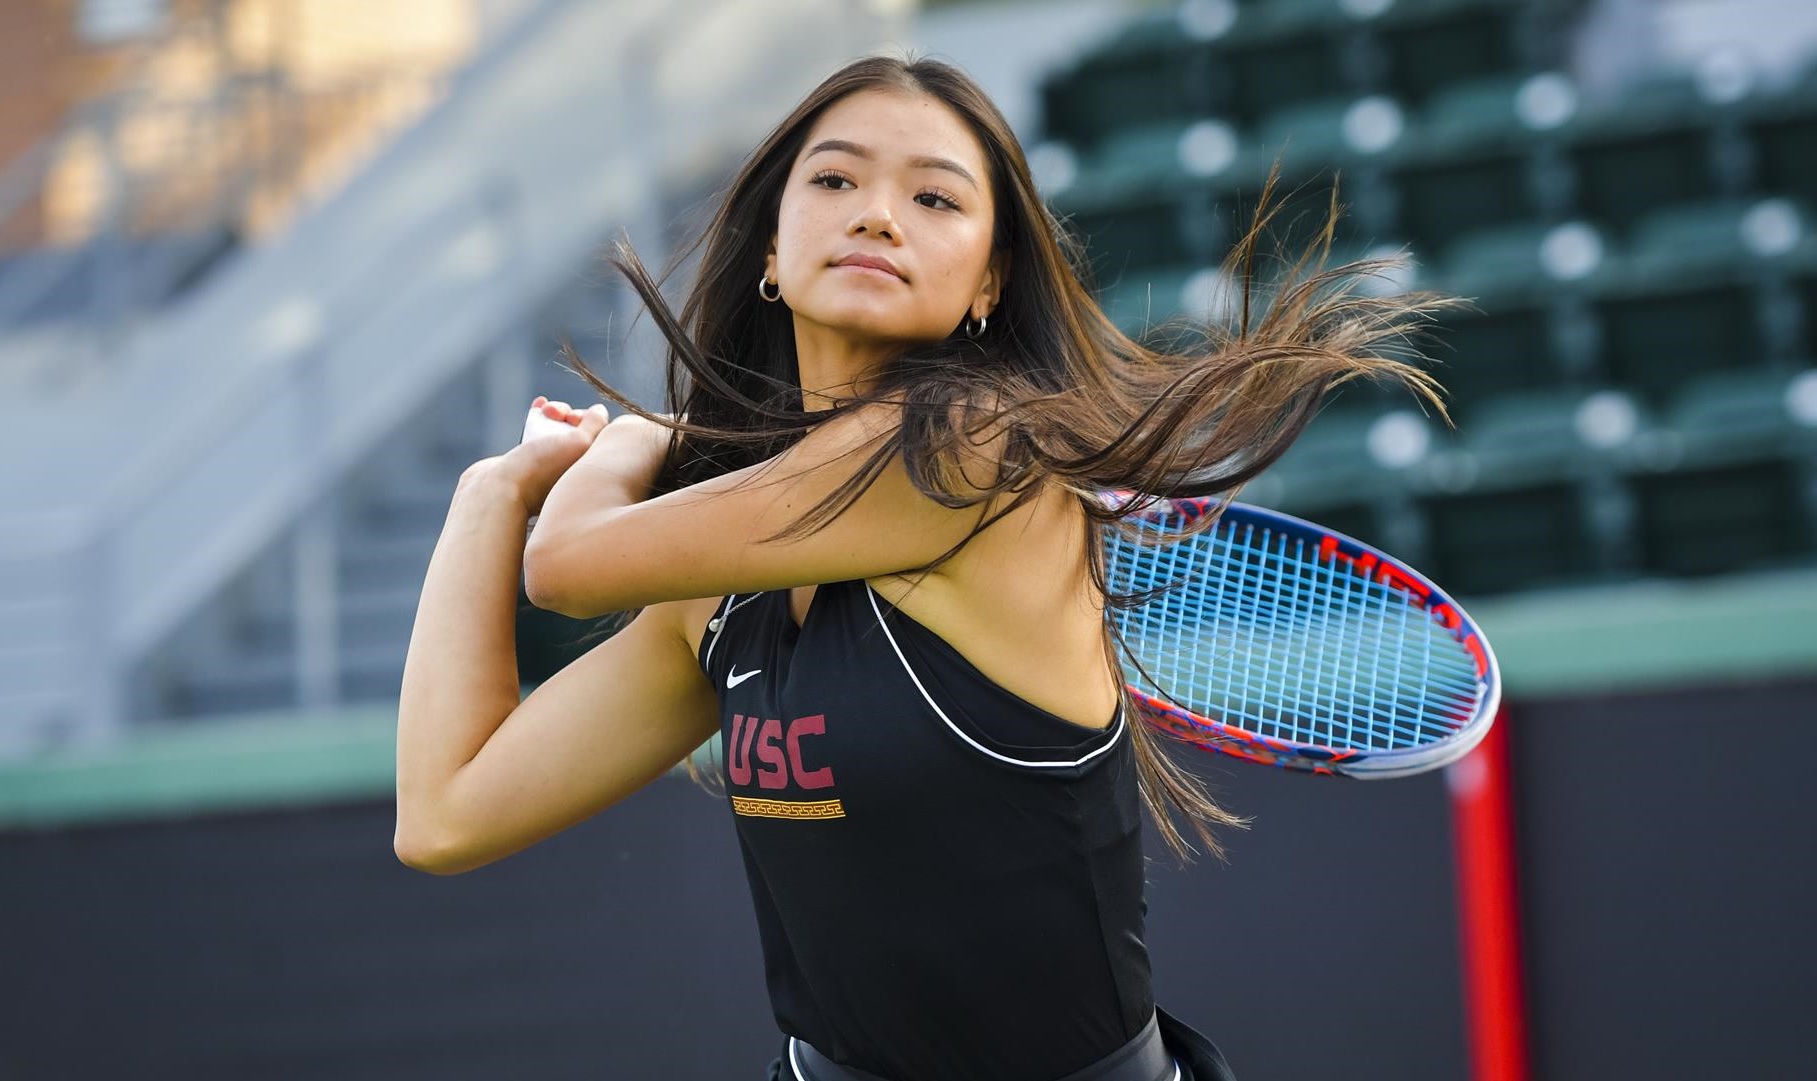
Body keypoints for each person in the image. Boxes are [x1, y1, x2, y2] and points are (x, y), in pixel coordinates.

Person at [393, 52, 1458, 1081]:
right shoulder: (715, 596)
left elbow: (569, 565)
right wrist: (485, 498)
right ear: (770, 248)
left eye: (937, 200)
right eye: (835, 179)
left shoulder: (971, 448)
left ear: (990, 282)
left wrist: (625, 446)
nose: (878, 214)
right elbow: (447, 814)